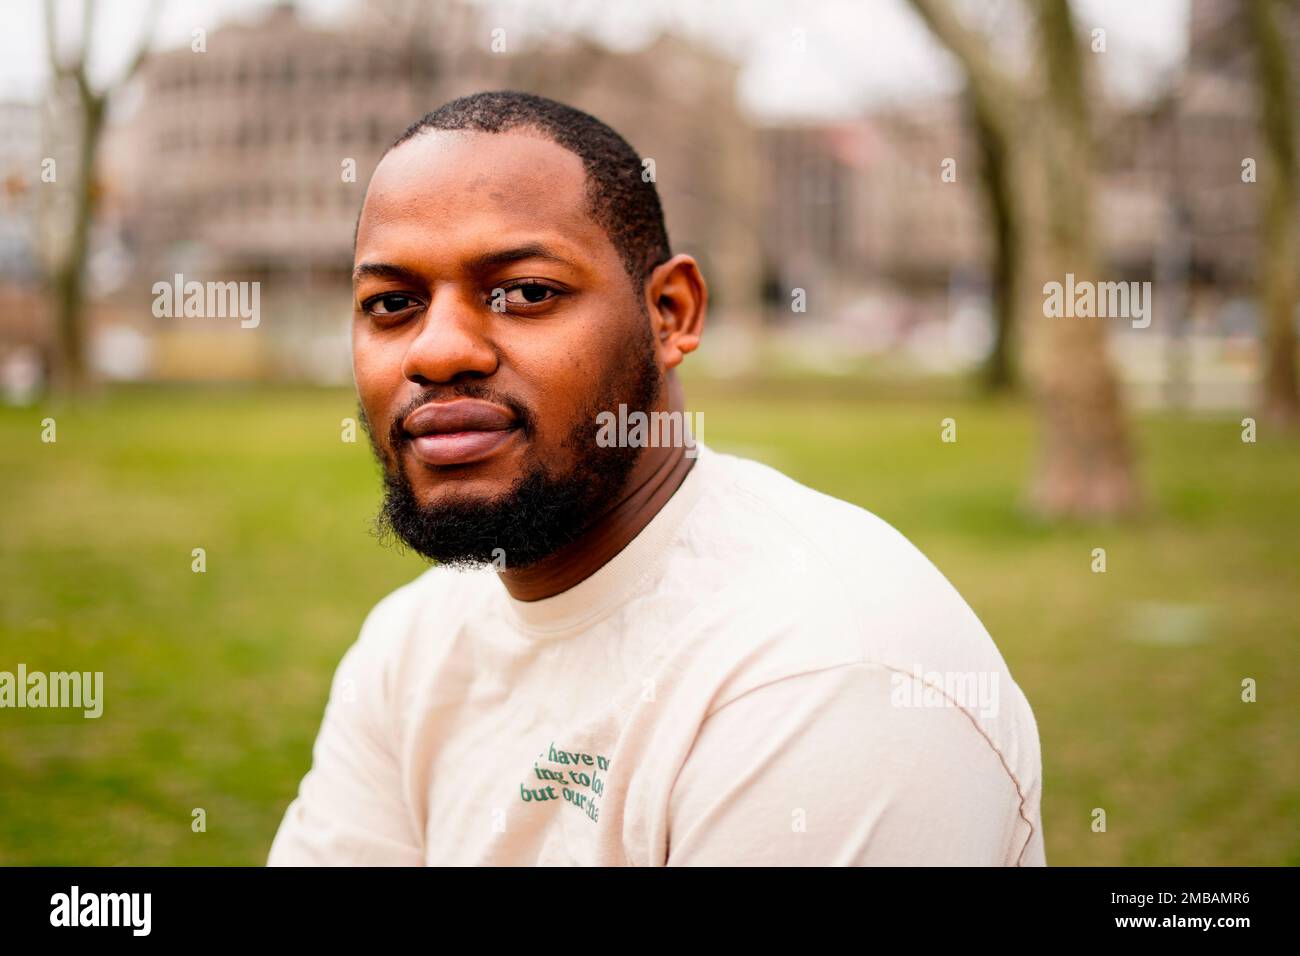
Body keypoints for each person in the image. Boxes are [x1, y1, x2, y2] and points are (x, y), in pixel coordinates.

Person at [268, 91, 1045, 866]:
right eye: (392, 303)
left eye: (527, 293)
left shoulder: (828, 675)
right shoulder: (412, 646)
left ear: (670, 313)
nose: (436, 353)